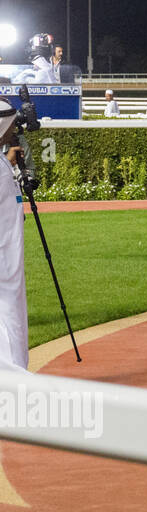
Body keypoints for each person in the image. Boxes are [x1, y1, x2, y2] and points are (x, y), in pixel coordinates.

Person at [0, 106, 29, 370]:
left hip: (10, 251)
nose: (13, 128)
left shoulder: (1, 162)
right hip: (3, 256)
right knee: (8, 310)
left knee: (12, 309)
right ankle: (12, 370)